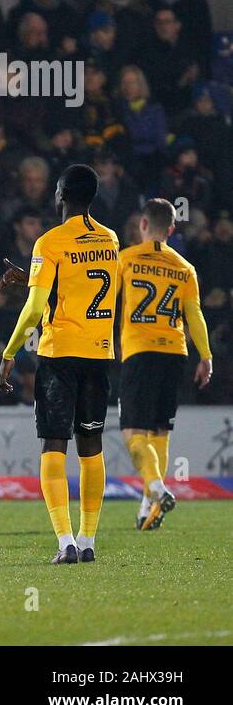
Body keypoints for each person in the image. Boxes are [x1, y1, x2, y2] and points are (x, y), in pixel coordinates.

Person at [0, 164, 120, 564]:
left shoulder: (50, 242)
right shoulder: (111, 240)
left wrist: (9, 353)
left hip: (60, 355)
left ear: (61, 195)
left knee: (54, 444)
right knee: (91, 447)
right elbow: (83, 286)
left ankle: (64, 541)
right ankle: (88, 540)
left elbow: (36, 309)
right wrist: (30, 280)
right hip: (99, 355)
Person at [117, 198, 213, 531]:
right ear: (171, 229)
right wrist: (206, 356)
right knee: (160, 431)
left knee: (132, 431)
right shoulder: (185, 267)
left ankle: (156, 488)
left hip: (140, 351)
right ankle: (147, 509)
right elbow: (195, 315)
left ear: (143, 224)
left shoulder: (125, 259)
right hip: (176, 352)